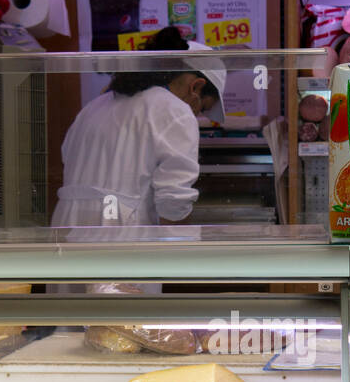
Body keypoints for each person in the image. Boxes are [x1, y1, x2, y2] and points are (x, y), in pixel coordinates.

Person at [51, 26, 225, 234]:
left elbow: (66, 159)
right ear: (196, 87)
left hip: (65, 230)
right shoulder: (175, 110)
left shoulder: (94, 106)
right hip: (120, 236)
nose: (196, 114)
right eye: (202, 108)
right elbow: (173, 203)